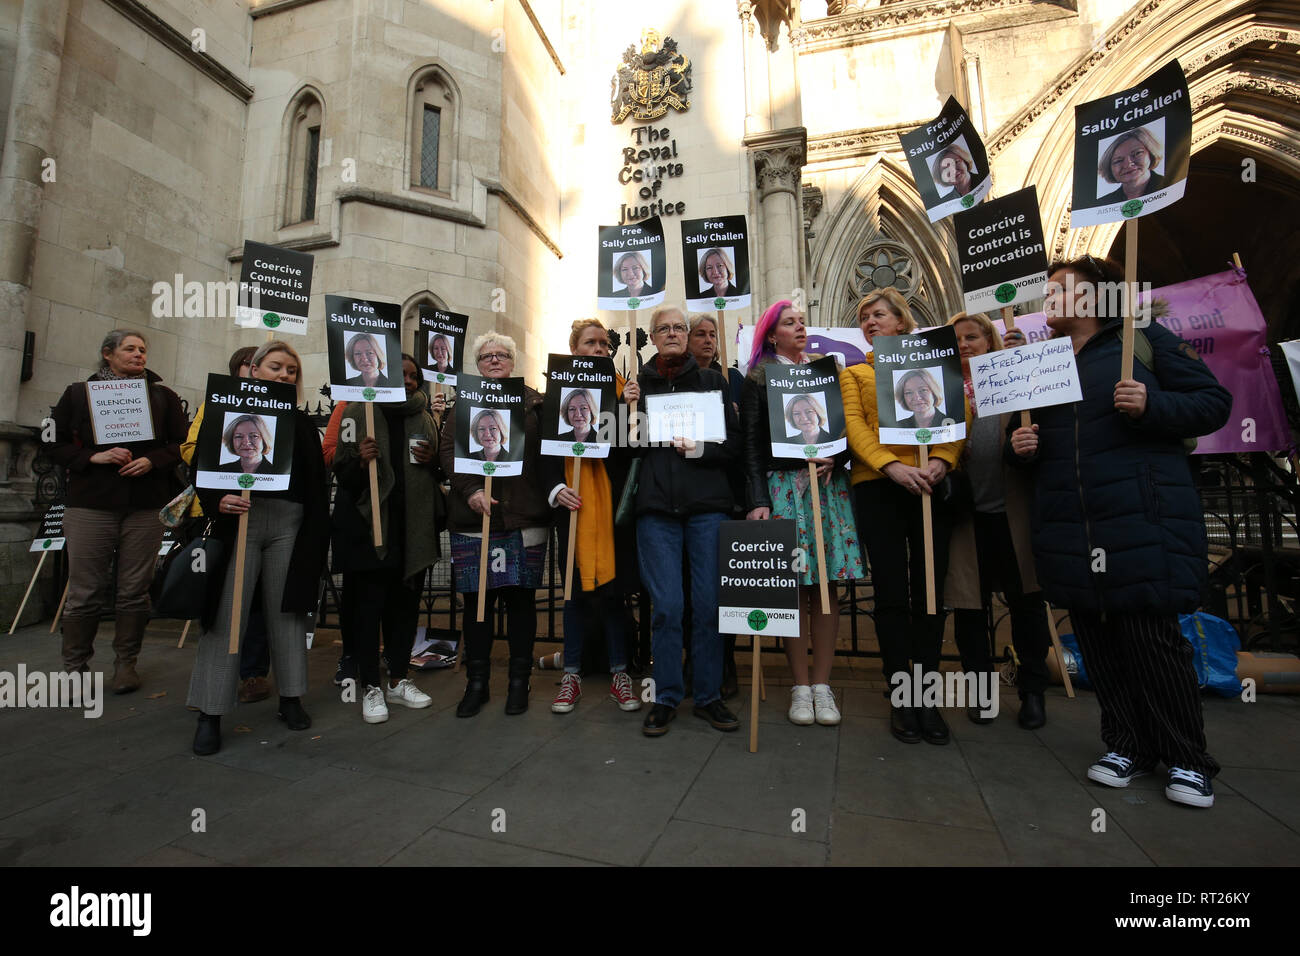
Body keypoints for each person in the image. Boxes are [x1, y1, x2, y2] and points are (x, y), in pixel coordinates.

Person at [1009, 256, 1231, 807]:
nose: (1048, 299)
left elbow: (1213, 403)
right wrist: (1022, 448)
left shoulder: (1142, 340)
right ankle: (1126, 744)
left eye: (1060, 290)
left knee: (1152, 641)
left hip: (1139, 517)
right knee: (1098, 638)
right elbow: (1030, 439)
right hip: (1071, 522)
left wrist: (1152, 403)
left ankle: (1187, 758)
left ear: (1093, 298)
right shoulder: (1045, 361)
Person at [188, 340, 330, 756]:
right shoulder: (225, 411)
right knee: (227, 614)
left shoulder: (302, 423)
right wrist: (218, 501)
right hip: (240, 522)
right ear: (253, 369)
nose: (284, 375)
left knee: (286, 613)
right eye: (275, 367)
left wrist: (315, 539)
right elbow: (202, 467)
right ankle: (210, 711)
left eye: (291, 370)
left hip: (289, 524)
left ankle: (291, 697)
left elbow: (315, 485)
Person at [841, 288, 964, 745]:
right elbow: (852, 425)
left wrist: (943, 460)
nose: (871, 322)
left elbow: (956, 411)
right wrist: (889, 465)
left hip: (930, 486)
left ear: (901, 320)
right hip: (878, 487)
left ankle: (927, 697)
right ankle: (900, 696)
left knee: (929, 592)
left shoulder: (933, 359)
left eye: (879, 314)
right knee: (891, 593)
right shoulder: (854, 373)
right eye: (864, 317)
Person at [744, 300, 864, 726]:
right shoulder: (759, 377)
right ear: (772, 334)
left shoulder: (827, 371)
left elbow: (855, 428)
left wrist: (841, 455)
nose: (799, 327)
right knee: (794, 586)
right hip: (783, 489)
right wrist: (759, 499)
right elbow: (752, 445)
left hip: (827, 489)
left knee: (827, 588)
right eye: (789, 322)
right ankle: (799, 687)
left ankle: (822, 686)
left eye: (801, 321)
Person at [49, 330, 187, 693]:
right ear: (107, 354)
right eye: (130, 348)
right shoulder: (78, 394)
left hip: (144, 505)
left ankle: (126, 663)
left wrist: (150, 461)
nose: (139, 354)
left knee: (134, 589)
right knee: (85, 590)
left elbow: (181, 444)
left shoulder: (163, 396)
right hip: (91, 504)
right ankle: (74, 666)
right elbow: (54, 443)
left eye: (143, 349)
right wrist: (93, 456)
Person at [636, 305, 742, 736]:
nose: (675, 334)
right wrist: (626, 413)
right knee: (667, 607)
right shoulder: (638, 385)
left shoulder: (714, 381)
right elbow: (622, 449)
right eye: (665, 328)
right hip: (657, 510)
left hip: (706, 508)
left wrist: (699, 448)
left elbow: (734, 444)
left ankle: (708, 694)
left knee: (709, 605)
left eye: (681, 327)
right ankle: (665, 696)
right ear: (654, 337)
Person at [943, 311, 1052, 728]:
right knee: (971, 609)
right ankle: (980, 692)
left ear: (989, 341)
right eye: (957, 340)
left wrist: (1022, 362)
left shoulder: (1014, 382)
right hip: (968, 517)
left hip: (1012, 514)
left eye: (973, 337)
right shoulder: (946, 392)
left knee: (1026, 604)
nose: (965, 345)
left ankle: (1033, 691)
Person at [439, 332, 550, 717]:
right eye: (487, 356)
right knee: (478, 604)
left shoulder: (536, 403)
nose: (495, 360)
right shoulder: (463, 404)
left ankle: (520, 682)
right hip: (475, 519)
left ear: (512, 361)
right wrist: (471, 490)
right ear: (478, 363)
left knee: (521, 602)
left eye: (502, 355)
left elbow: (549, 454)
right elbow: (448, 450)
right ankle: (478, 683)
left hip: (524, 517)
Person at [331, 354, 441, 724]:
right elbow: (342, 472)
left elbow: (438, 468)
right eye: (401, 374)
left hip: (411, 529)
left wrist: (432, 460)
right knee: (368, 609)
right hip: (370, 529)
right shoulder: (356, 411)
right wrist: (360, 462)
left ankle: (398, 678)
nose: (409, 381)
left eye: (414, 376)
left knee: (404, 608)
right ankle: (371, 686)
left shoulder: (424, 416)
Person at [543, 319, 642, 714]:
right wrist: (555, 489)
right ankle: (571, 676)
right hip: (573, 505)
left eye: (604, 343)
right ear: (575, 348)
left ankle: (620, 673)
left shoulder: (623, 389)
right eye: (591, 343)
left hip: (612, 509)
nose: (600, 349)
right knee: (573, 594)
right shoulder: (558, 389)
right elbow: (545, 449)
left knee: (614, 594)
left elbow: (631, 448)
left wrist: (628, 407)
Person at [182, 346, 278, 704]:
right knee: (224, 596)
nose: (255, 374)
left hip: (266, 516)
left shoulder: (278, 409)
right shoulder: (215, 405)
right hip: (224, 513)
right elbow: (192, 450)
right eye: (249, 367)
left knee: (256, 602)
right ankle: (213, 682)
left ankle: (253, 673)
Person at [1097, 127, 1165, 203]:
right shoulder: (1102, 203)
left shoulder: (1169, 185)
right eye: (1118, 161)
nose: (1128, 164)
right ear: (1109, 169)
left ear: (1151, 153)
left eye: (1137, 153)